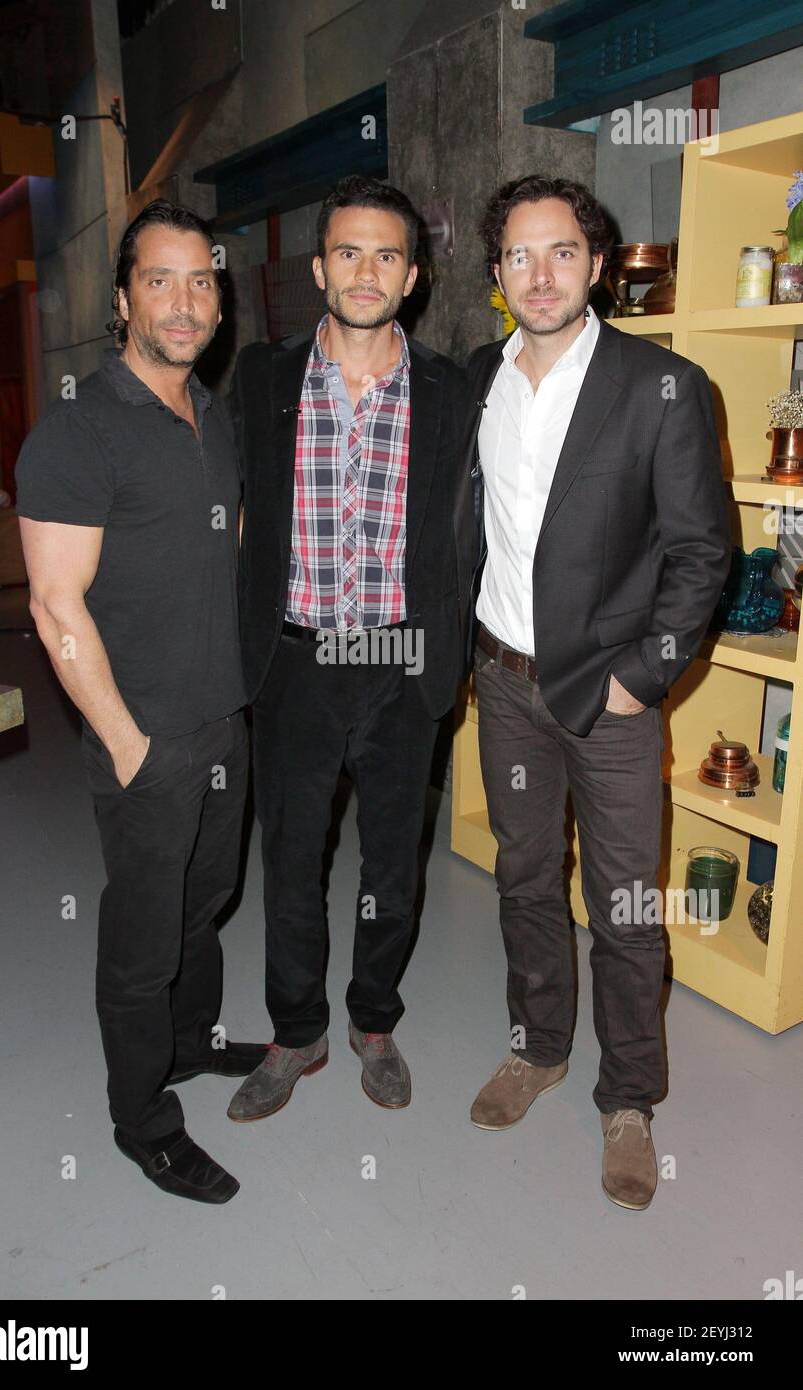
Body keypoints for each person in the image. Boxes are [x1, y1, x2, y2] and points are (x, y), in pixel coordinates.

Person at [464, 176, 731, 1209]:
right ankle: (537, 1046)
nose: (540, 275)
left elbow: (702, 554)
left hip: (610, 695)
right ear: (495, 275)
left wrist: (641, 675)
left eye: (560, 252)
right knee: (523, 878)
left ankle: (628, 1099)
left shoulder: (661, 385)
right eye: (519, 257)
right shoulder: (479, 385)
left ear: (595, 261)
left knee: (623, 906)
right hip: (504, 680)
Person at [15, 199, 268, 1204]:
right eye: (158, 279)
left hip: (222, 722)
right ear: (123, 299)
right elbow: (52, 600)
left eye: (201, 280)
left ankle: (190, 1040)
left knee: (205, 906)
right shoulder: (80, 430)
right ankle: (142, 1120)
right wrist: (124, 742)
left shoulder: (215, 416)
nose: (184, 299)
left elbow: (228, 545)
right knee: (141, 936)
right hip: (144, 737)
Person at [227, 174, 471, 1122]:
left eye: (386, 255)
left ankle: (373, 1020)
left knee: (392, 864)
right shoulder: (260, 377)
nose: (365, 272)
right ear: (319, 266)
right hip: (293, 660)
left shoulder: (454, 389)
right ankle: (298, 1033)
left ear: (412, 275)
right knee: (290, 855)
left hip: (405, 659)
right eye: (347, 252)